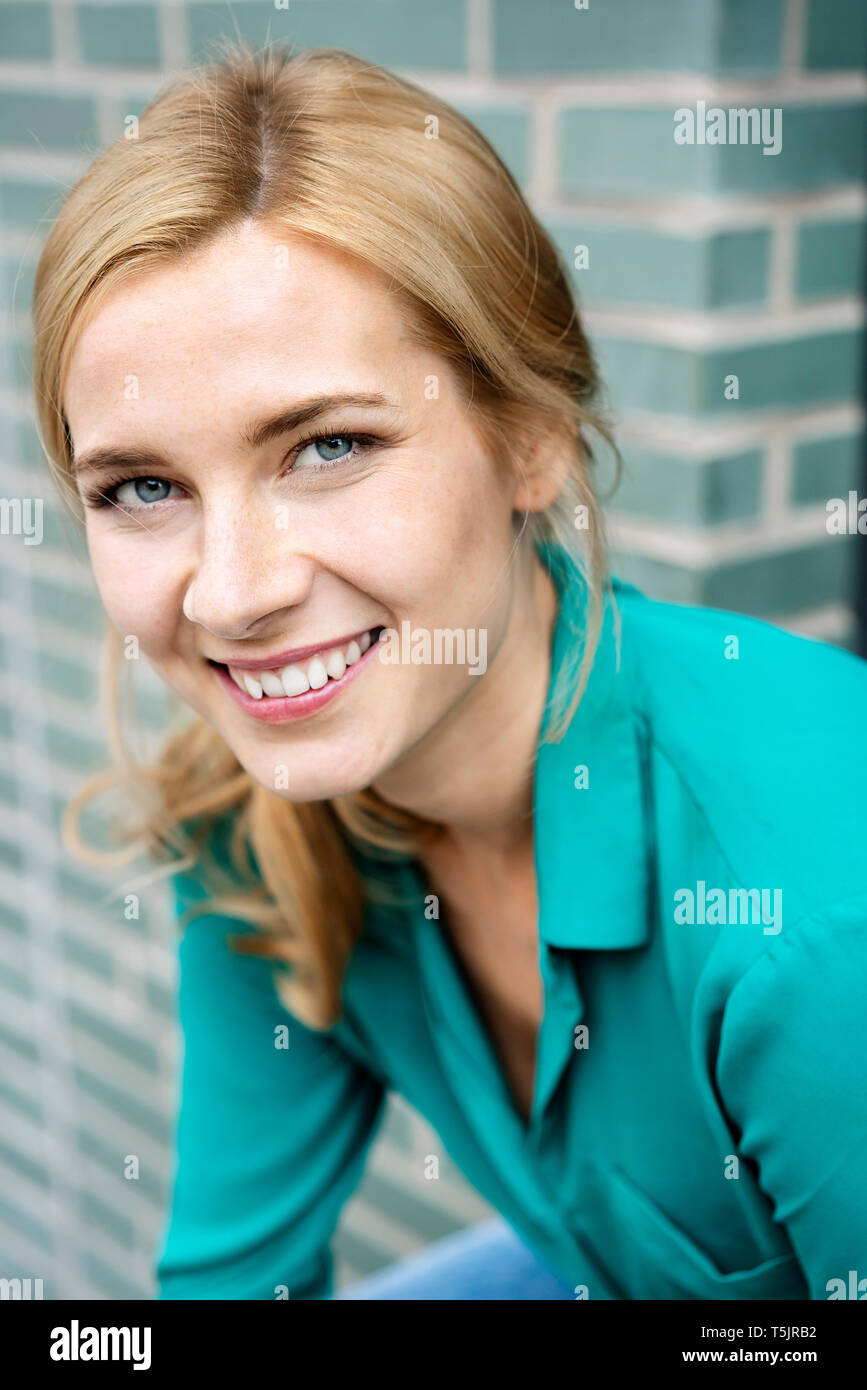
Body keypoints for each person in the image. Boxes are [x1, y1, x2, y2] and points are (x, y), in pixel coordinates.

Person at [32, 41, 867, 1301]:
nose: (233, 592)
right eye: (142, 487)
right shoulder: (258, 817)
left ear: (529, 439)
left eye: (328, 446)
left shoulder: (814, 920)